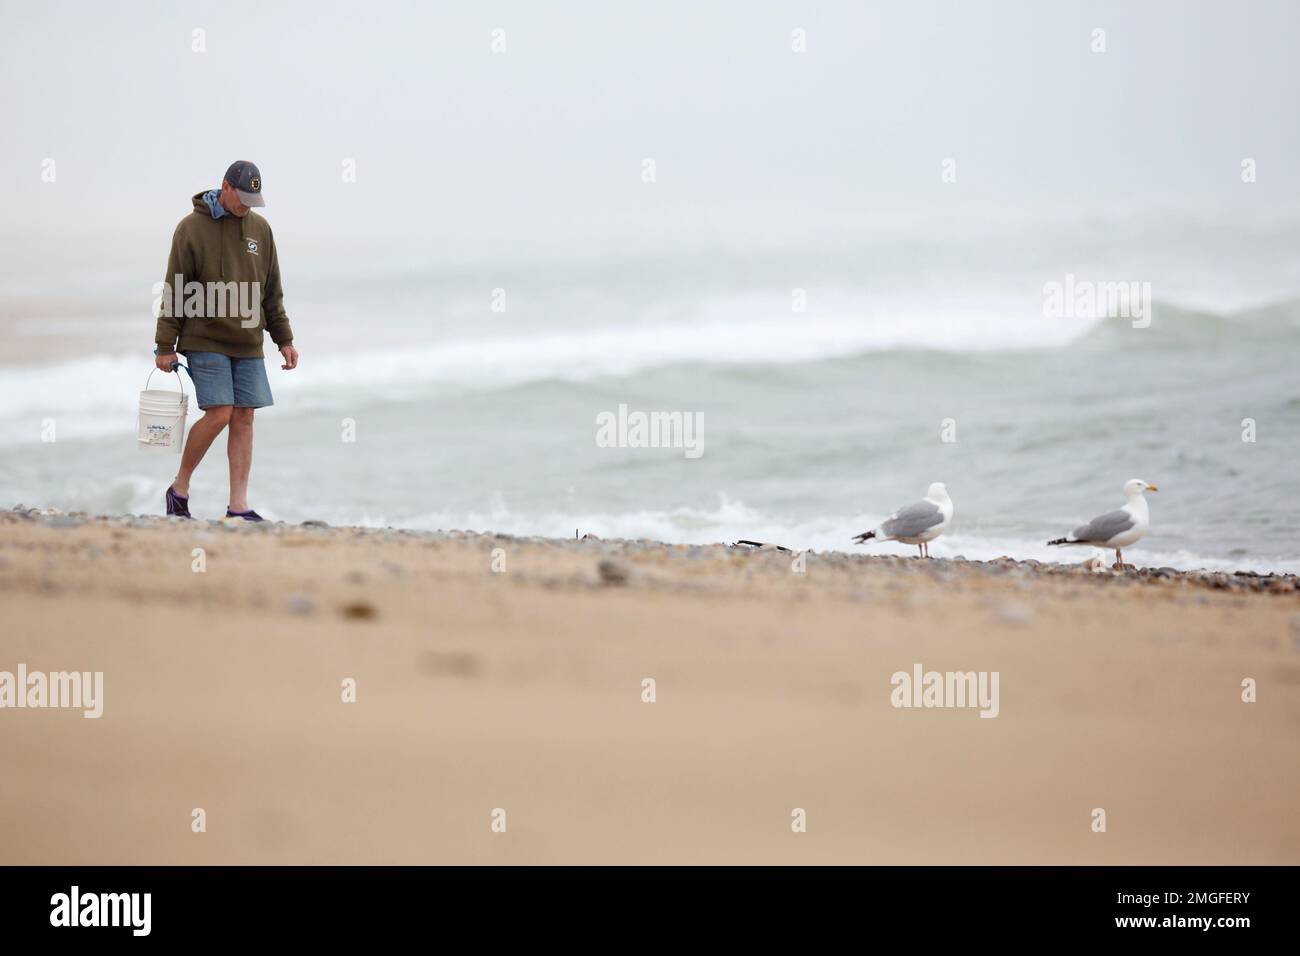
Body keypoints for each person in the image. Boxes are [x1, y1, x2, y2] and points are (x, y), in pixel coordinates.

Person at [153, 161, 298, 520]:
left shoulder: (260, 231)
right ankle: (179, 488)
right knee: (219, 414)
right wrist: (165, 345)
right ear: (225, 187)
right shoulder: (191, 228)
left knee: (244, 416)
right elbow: (175, 289)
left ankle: (238, 506)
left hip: (248, 341)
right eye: (242, 197)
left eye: (253, 199)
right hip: (204, 337)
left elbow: (271, 292)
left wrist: (284, 339)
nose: (246, 205)